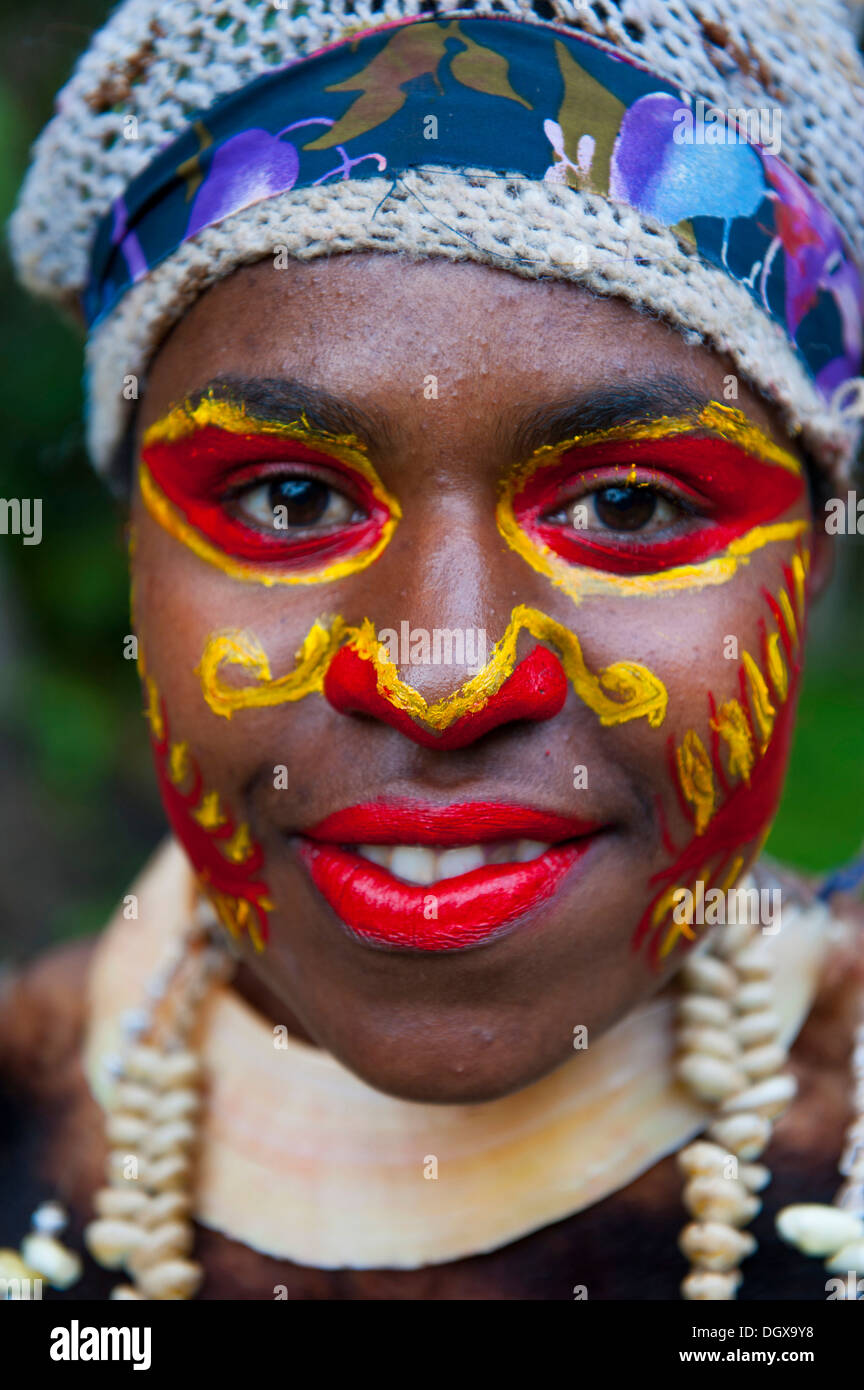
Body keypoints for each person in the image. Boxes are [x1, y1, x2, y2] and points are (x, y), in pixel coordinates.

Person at [2, 0, 864, 1301]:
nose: (443, 673)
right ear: (137, 554)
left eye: (627, 505)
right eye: (288, 499)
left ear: (816, 562)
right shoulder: (27, 1107)